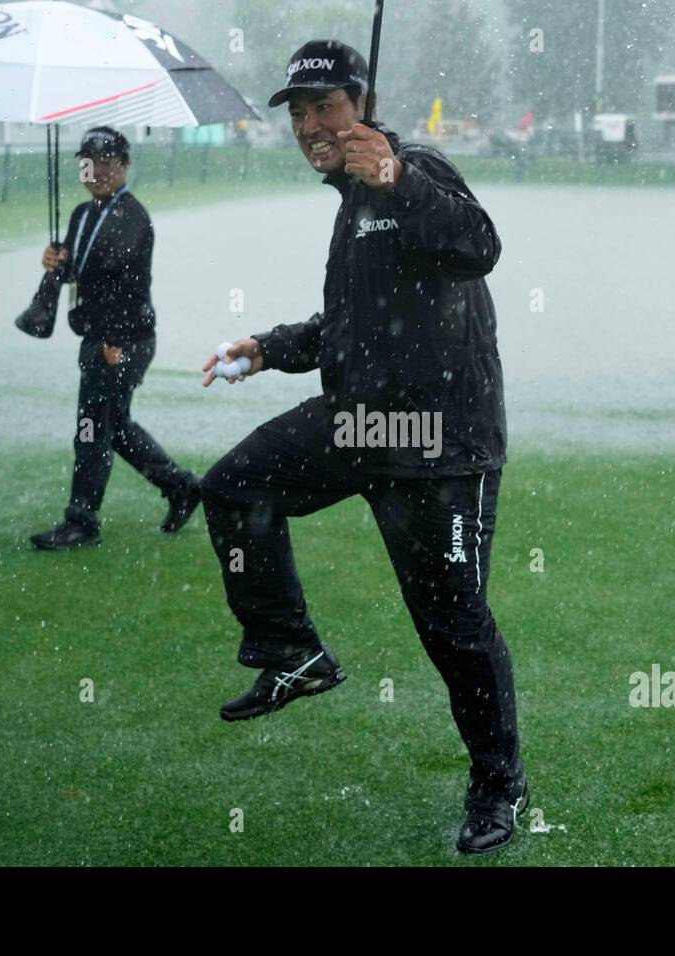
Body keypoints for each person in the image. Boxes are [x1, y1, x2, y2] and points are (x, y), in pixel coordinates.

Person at [197, 41, 526, 854]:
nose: (311, 125)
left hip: (442, 446)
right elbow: (350, 326)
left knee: (453, 626)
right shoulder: (350, 196)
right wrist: (268, 348)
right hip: (362, 426)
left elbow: (481, 245)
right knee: (236, 486)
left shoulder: (412, 168)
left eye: (325, 108)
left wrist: (399, 182)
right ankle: (291, 652)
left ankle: (499, 786)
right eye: (300, 113)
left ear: (362, 102)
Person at [30, 127, 200, 550]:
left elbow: (112, 279)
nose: (98, 169)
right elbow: (77, 269)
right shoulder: (82, 214)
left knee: (92, 427)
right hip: (102, 338)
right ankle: (181, 486)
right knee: (113, 426)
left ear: (124, 167)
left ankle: (82, 521)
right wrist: (56, 261)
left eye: (108, 161)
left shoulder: (132, 217)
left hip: (122, 340)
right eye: (89, 161)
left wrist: (112, 341)